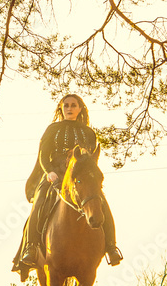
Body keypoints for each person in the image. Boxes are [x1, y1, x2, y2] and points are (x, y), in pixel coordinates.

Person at [13, 93, 123, 273]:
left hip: (79, 175)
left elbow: (91, 159)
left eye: (73, 105)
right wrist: (49, 172)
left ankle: (111, 247)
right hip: (55, 173)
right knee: (39, 202)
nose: (69, 108)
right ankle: (31, 248)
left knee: (100, 202)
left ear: (80, 109)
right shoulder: (52, 129)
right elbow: (43, 155)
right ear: (61, 108)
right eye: (66, 105)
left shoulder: (88, 132)